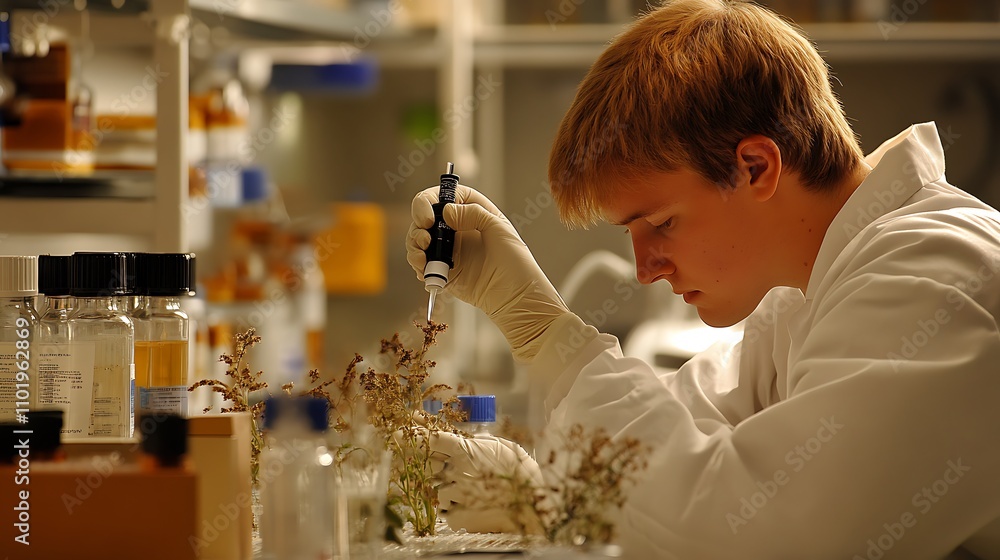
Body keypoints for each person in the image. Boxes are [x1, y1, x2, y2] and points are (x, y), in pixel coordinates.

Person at [405, 0, 1000, 558]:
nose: (645, 270)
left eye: (662, 223)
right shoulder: (802, 300)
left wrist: (543, 332)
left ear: (756, 167)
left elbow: (760, 531)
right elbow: (680, 445)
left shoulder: (930, 277)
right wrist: (527, 492)